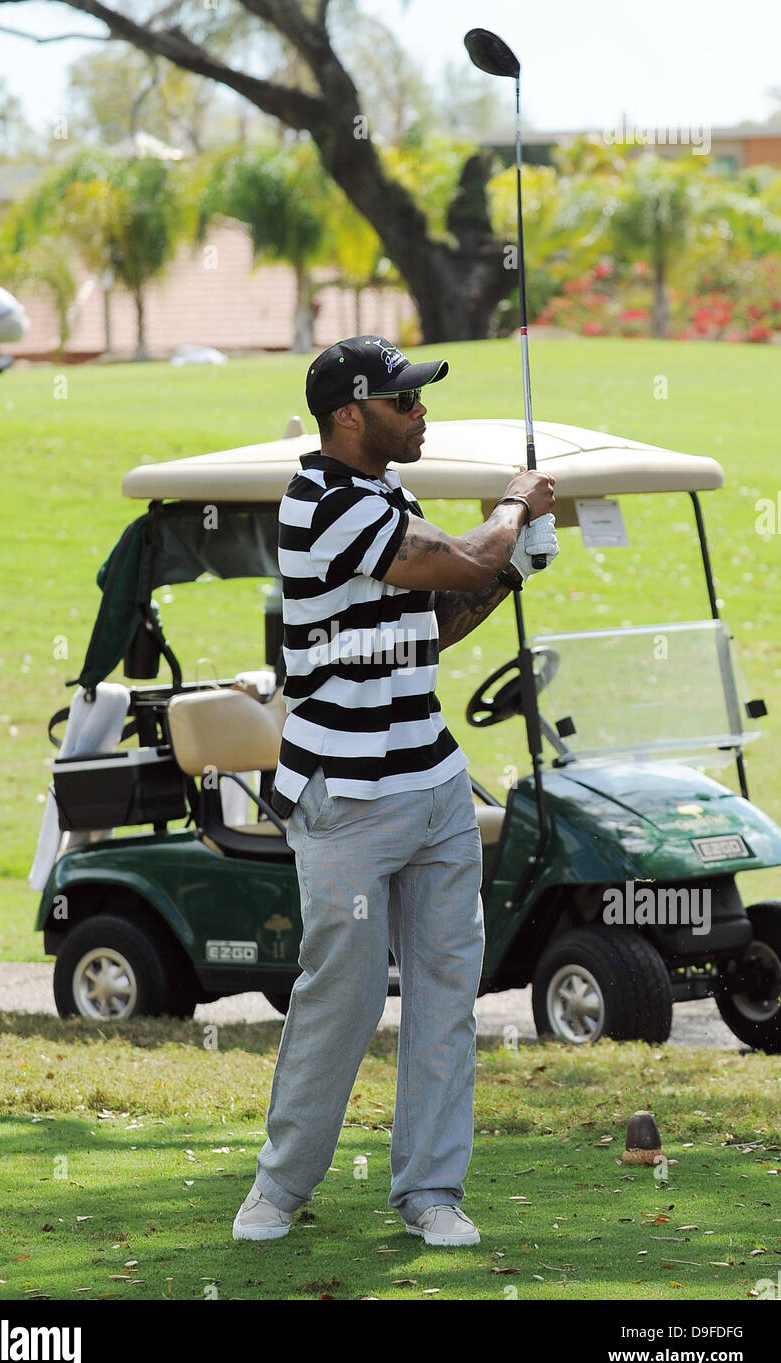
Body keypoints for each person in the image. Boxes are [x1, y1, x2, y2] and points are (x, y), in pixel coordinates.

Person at [233, 335, 559, 1247]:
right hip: (345, 799)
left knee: (447, 993)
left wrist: (515, 563)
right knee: (338, 996)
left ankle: (429, 1192)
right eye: (405, 403)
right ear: (350, 415)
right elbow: (451, 559)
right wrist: (508, 510)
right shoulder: (319, 502)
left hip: (434, 787)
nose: (422, 415)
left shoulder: (388, 495)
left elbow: (437, 622)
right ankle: (280, 1186)